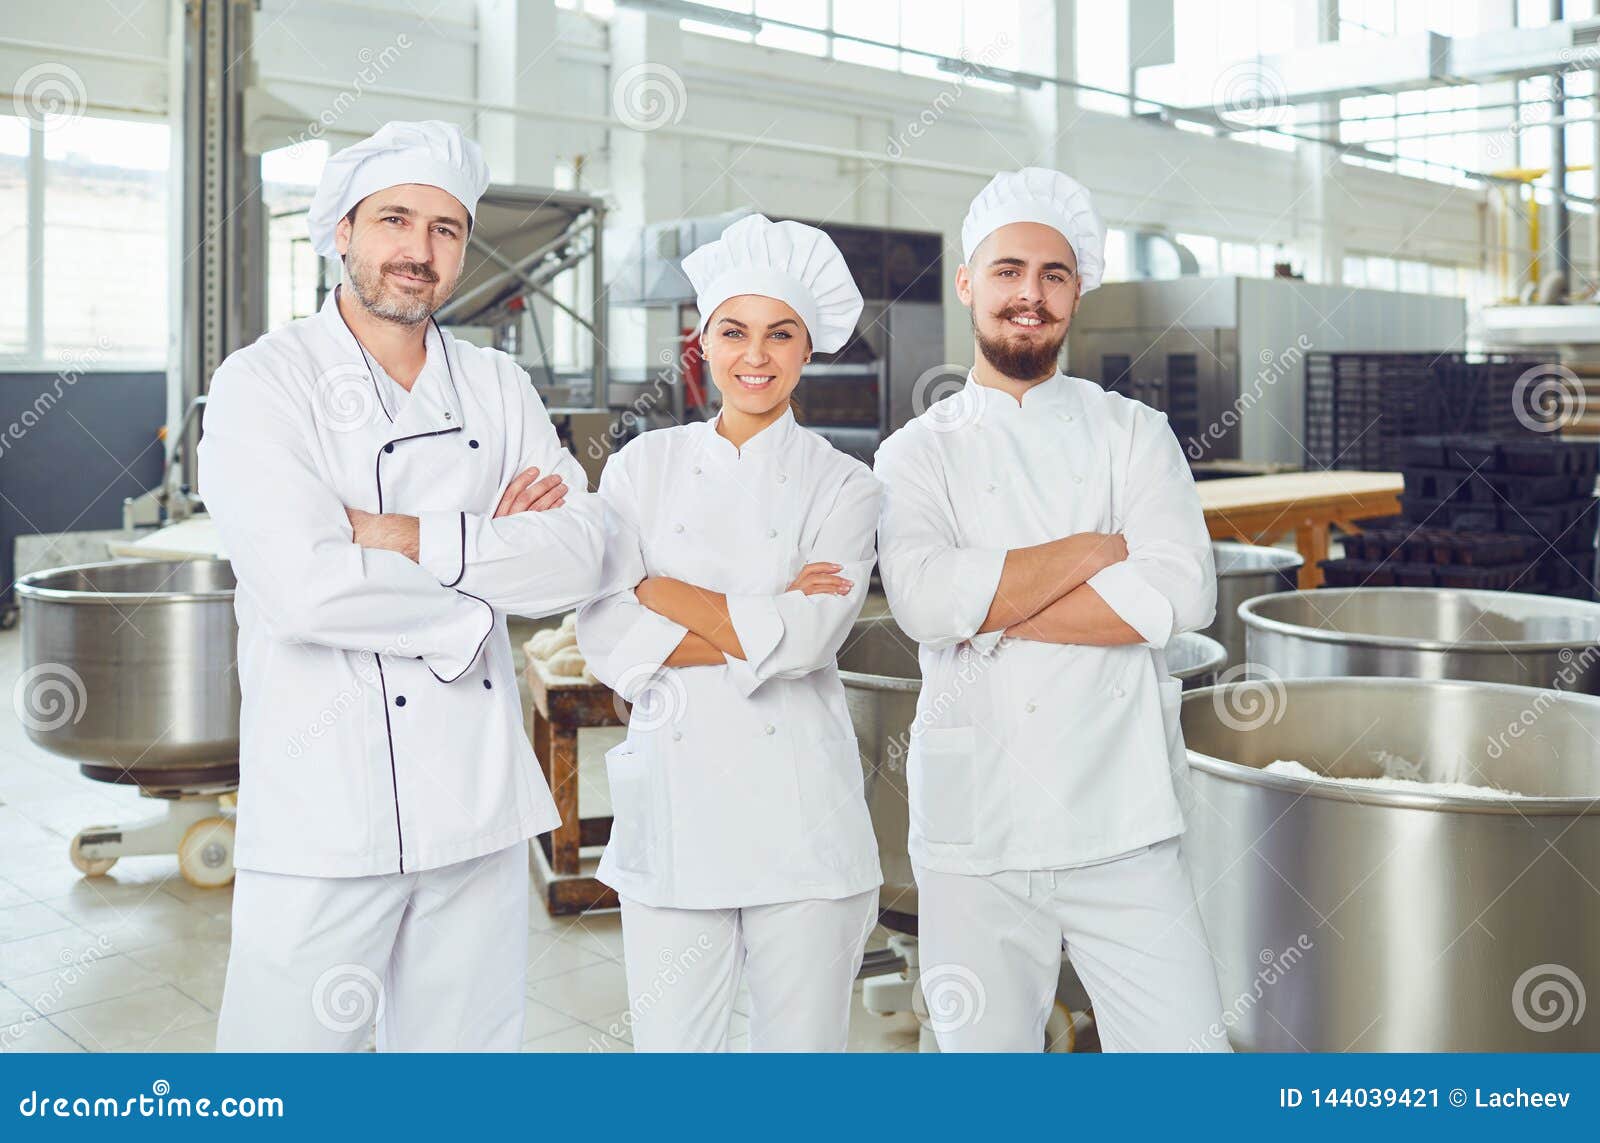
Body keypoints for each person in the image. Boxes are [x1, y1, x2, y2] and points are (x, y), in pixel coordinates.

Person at [200, 120, 606, 1050]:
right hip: (322, 815)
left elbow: (581, 555)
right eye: (395, 219)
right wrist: (479, 599)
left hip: (476, 807)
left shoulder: (500, 386)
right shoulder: (265, 382)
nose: (419, 252)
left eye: (446, 228)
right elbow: (305, 587)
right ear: (342, 230)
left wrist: (392, 535)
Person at [873, 167, 1230, 1052]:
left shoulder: (1133, 433)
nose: (1028, 295)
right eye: (1007, 271)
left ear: (1076, 293)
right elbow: (922, 600)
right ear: (968, 284)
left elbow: (1183, 592)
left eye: (1053, 274)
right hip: (975, 828)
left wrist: (983, 605)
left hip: (1122, 817)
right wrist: (1086, 554)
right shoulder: (914, 453)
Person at [576, 213, 882, 1051]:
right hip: (676, 814)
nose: (757, 355)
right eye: (735, 331)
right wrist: (763, 616)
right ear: (701, 340)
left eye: (781, 333)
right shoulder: (643, 464)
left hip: (804, 825)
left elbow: (813, 637)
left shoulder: (847, 484)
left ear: (808, 347)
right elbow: (604, 629)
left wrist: (662, 589)